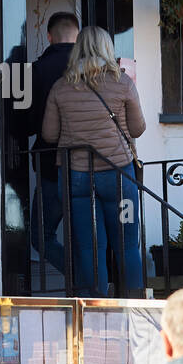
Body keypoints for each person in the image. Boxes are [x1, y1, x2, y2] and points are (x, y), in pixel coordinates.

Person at [41, 26, 146, 297]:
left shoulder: (61, 87)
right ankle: (135, 302)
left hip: (77, 176)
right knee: (127, 246)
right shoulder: (123, 83)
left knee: (89, 247)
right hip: (118, 175)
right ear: (107, 49)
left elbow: (49, 134)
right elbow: (137, 129)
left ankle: (96, 303)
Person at [11, 9, 79, 275]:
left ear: (49, 36)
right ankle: (92, 282)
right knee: (86, 238)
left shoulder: (35, 71)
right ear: (79, 36)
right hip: (93, 166)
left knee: (41, 236)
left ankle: (76, 277)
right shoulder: (94, 71)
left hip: (50, 165)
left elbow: (23, 124)